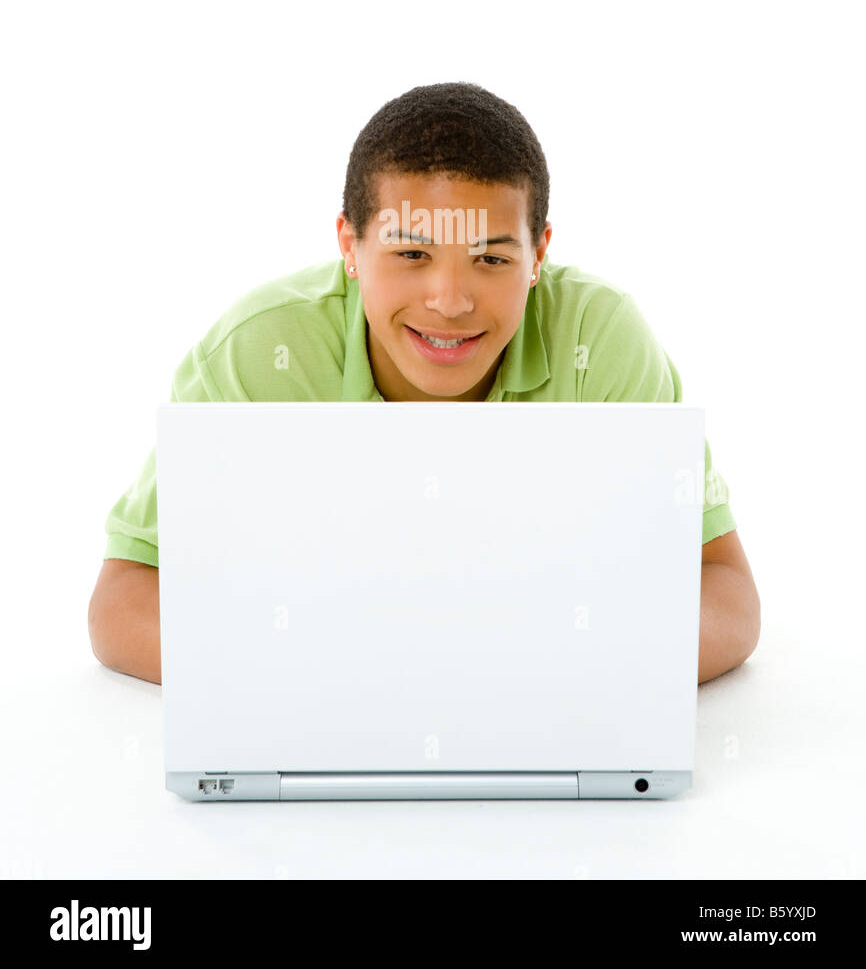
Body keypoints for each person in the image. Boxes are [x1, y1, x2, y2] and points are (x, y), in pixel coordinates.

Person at [88, 81, 760, 686]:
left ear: (539, 254)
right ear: (349, 247)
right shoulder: (261, 351)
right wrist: (342, 676)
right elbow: (124, 599)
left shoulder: (601, 341)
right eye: (411, 254)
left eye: (491, 257)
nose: (449, 301)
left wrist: (531, 673)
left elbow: (722, 587)